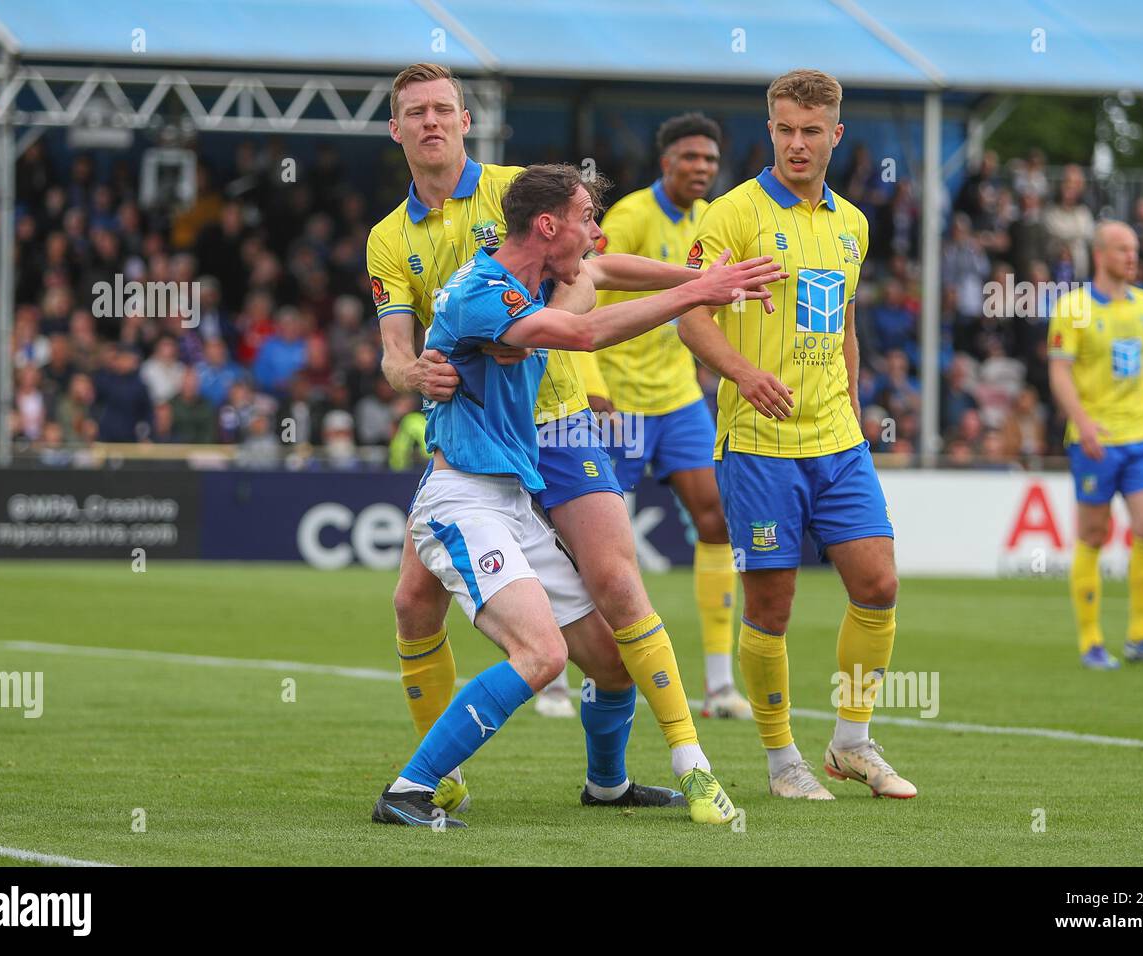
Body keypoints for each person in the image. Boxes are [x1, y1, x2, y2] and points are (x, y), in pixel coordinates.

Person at [367, 63, 752, 816]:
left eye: (444, 109)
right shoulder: (394, 240)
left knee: (615, 607)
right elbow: (398, 354)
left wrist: (688, 283)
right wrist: (415, 372)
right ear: (397, 129)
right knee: (418, 607)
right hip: (478, 452)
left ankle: (652, 771)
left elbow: (591, 273)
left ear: (467, 121)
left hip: (554, 426)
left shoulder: (519, 190)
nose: (432, 122)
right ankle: (428, 780)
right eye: (416, 112)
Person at [678, 69, 917, 801]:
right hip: (759, 443)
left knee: (878, 584)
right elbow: (689, 314)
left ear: (835, 135)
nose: (797, 143)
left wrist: (852, 400)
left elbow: (844, 323)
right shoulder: (731, 215)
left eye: (812, 131)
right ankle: (783, 761)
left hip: (838, 440)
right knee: (771, 608)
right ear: (771, 130)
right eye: (785, 129)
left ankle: (851, 742)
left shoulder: (853, 224)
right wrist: (742, 374)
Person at [577, 112, 751, 720]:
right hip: (619, 398)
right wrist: (590, 380)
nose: (702, 168)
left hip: (678, 399)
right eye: (691, 158)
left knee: (716, 519)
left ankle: (719, 683)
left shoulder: (711, 221)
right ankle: (570, 675)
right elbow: (578, 292)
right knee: (595, 539)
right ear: (666, 162)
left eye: (710, 160)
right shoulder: (629, 217)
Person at [1049, 221, 1143, 670]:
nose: (1133, 256)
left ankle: (1141, 635)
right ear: (1100, 255)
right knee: (1094, 534)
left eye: (1134, 249)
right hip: (1096, 441)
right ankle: (1091, 640)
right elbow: (1059, 372)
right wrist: (1083, 423)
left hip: (1140, 437)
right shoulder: (1073, 308)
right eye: (1122, 249)